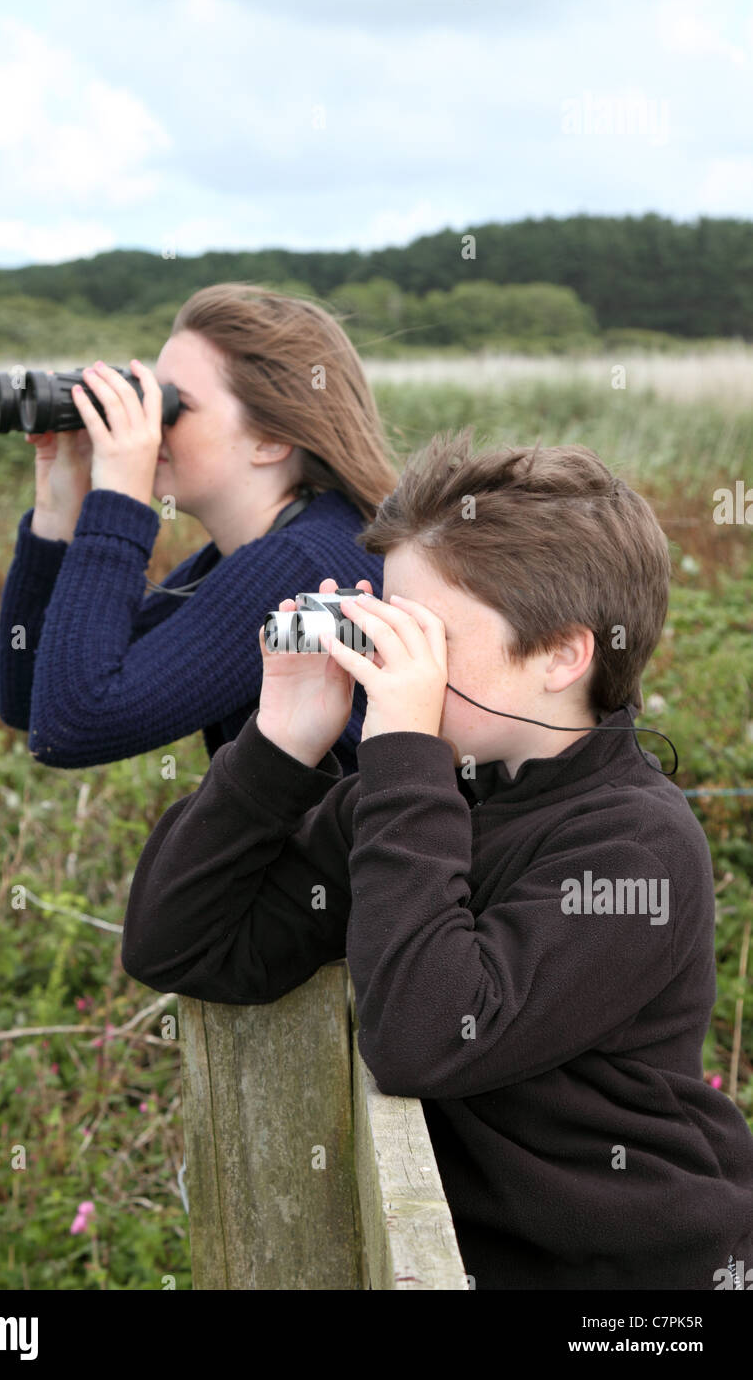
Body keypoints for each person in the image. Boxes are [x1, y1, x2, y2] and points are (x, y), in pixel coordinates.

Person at [120, 427, 753, 1290]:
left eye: (431, 635)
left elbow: (426, 1037)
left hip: (644, 1278)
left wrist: (405, 757)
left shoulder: (637, 848)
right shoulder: (429, 795)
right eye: (390, 618)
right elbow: (179, 945)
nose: (394, 656)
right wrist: (280, 744)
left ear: (563, 654)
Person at [0, 283, 396, 774]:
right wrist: (60, 508)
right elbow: (30, 702)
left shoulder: (306, 572)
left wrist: (117, 503)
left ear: (271, 440)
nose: (150, 423)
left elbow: (74, 728)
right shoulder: (289, 545)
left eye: (172, 405)